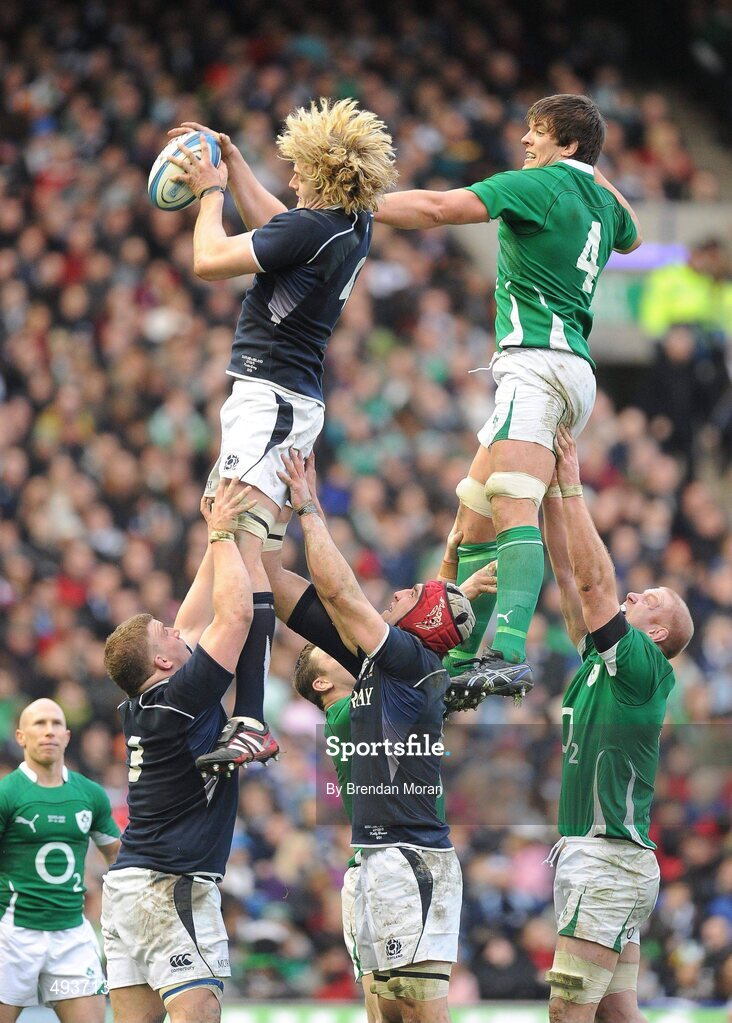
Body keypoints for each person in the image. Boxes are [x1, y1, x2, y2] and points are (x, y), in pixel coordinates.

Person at [375, 94, 642, 683]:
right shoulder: (600, 199)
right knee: (473, 517)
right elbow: (635, 237)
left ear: (564, 146)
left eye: (538, 131)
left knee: (512, 501)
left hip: (537, 363)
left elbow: (442, 208)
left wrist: (360, 203)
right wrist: (592, 165)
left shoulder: (537, 186)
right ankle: (465, 660)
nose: (525, 141)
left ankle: (510, 652)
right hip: (571, 370)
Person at [165, 100, 397, 772]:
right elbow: (282, 227)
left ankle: (250, 719)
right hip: (286, 402)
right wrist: (234, 166)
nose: (291, 180)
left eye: (298, 171)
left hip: (268, 401)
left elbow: (211, 259)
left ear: (321, 175)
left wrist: (210, 195)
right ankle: (360, 655)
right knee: (256, 560)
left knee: (235, 546)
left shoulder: (314, 225)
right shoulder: (351, 222)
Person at [263, 459, 512, 1022]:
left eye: (407, 597)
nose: (393, 594)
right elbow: (290, 591)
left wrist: (304, 505)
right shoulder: (389, 664)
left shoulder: (397, 664)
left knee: (416, 1015)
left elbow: (339, 593)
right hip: (381, 857)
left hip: (412, 857)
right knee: (387, 1016)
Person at [541, 426, 693, 1023]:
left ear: (656, 634)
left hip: (607, 859)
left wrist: (575, 483)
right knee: (617, 1014)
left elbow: (596, 583)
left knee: (569, 1013)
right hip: (612, 858)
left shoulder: (642, 663)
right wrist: (549, 492)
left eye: (650, 599)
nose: (635, 594)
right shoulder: (604, 664)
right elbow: (568, 574)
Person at [100, 479, 258, 1023]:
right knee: (200, 1012)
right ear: (164, 664)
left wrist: (217, 529)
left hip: (127, 886)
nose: (175, 628)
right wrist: (221, 535)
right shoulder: (180, 697)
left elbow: (190, 620)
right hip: (169, 885)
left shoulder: (149, 703)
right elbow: (235, 617)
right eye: (164, 634)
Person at [0, 698, 120, 1023]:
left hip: (70, 934)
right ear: (21, 737)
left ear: (67, 737)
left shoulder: (90, 794)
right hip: (12, 935)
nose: (49, 731)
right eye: (39, 724)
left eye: (55, 724)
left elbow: (117, 858)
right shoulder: (6, 794)